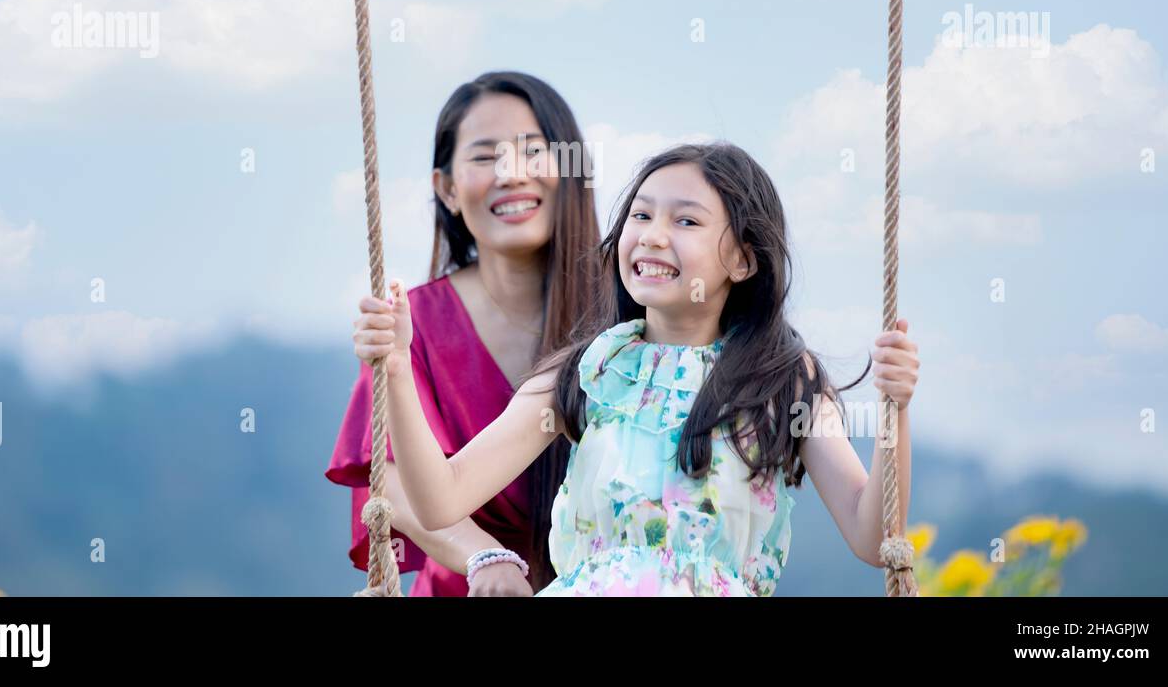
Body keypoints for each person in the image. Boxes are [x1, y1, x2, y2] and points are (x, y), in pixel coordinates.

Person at [353, 141, 922, 595]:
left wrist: (895, 411)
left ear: (745, 258)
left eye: (687, 222)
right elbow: (440, 500)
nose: (651, 235)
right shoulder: (585, 374)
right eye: (641, 215)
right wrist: (397, 370)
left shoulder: (781, 381)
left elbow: (873, 536)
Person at [325, 71, 600, 595]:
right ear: (447, 190)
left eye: (532, 151)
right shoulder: (411, 324)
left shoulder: (628, 313)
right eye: (483, 156)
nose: (511, 174)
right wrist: (487, 558)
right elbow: (395, 484)